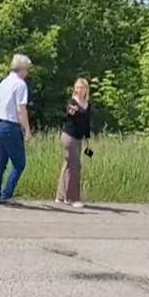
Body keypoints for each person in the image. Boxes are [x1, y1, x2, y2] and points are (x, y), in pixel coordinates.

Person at [0, 53, 33, 203]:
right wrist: (27, 130)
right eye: (27, 69)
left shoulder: (3, 83)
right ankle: (6, 194)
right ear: (21, 69)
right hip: (10, 125)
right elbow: (21, 110)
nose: (27, 72)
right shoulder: (20, 84)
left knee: (0, 162)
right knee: (19, 163)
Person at [54, 77, 93, 208]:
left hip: (79, 138)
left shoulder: (88, 104)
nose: (78, 90)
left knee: (68, 165)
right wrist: (73, 111)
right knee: (75, 166)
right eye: (77, 87)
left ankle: (60, 196)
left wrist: (87, 139)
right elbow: (70, 112)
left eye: (81, 87)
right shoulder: (72, 102)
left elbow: (86, 122)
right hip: (69, 137)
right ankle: (71, 198)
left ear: (86, 89)